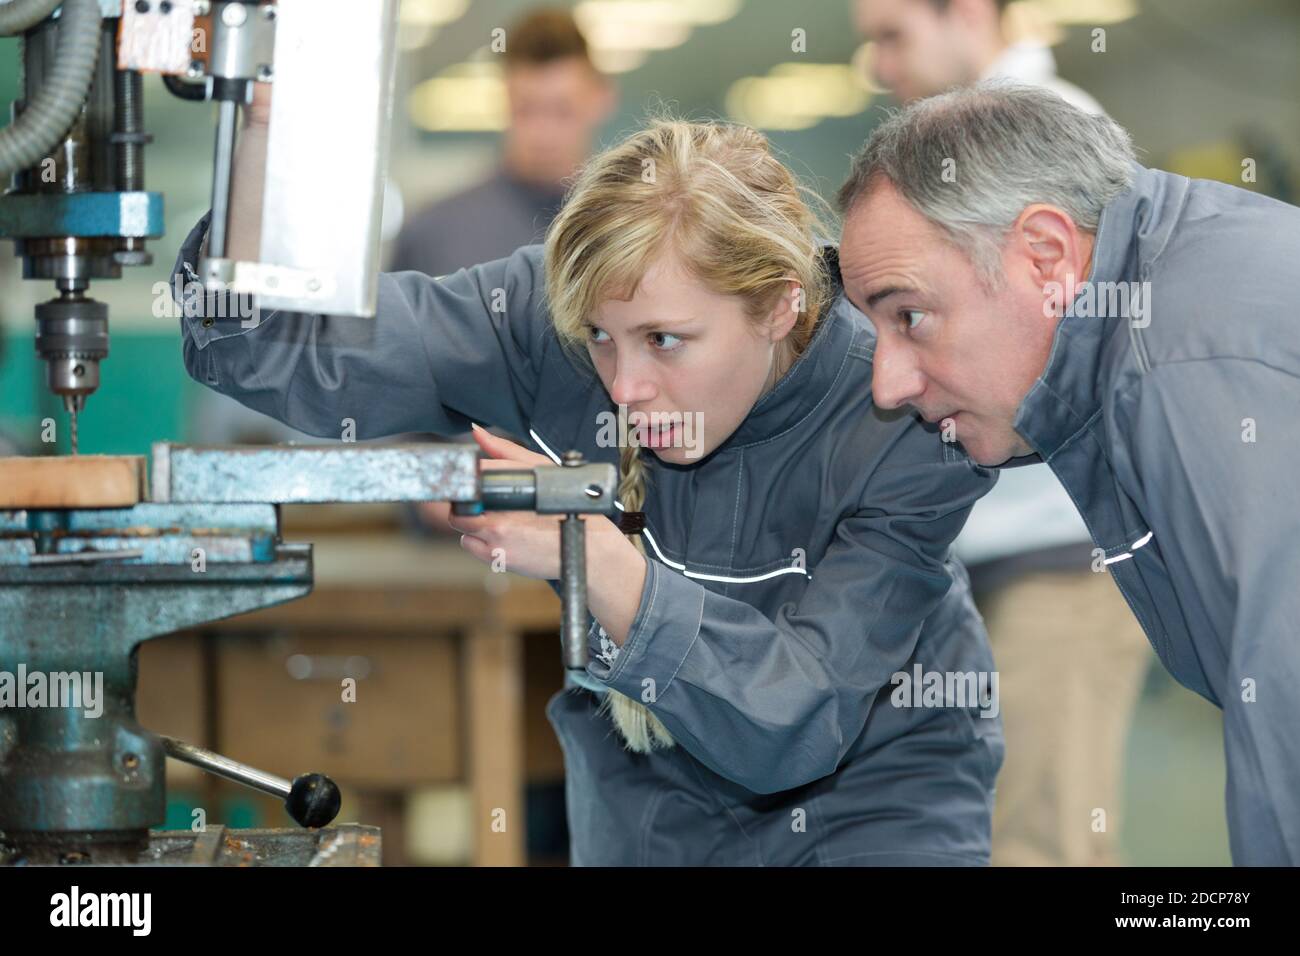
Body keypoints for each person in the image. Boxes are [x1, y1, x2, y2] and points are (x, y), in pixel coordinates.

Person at [172, 117, 1004, 865]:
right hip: (644, 797)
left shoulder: (900, 414)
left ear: (781, 305)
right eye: (603, 340)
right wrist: (258, 165)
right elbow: (267, 350)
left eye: (666, 340)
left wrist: (600, 563)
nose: (626, 387)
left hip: (872, 800)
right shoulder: (549, 325)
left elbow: (793, 722)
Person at [837, 81, 1300, 866]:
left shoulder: (1178, 368)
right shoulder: (1167, 282)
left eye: (909, 315)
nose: (889, 382)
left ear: (1045, 255)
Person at [854, 0, 1151, 866]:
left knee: (1041, 842)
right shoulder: (952, 151)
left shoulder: (1048, 137)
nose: (878, 64)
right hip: (984, 563)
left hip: (1060, 561)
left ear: (971, 13)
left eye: (892, 35)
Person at [388, 7, 615, 277]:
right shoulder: (436, 233)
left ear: (602, 100)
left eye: (562, 110)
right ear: (502, 99)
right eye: (526, 109)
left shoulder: (631, 228)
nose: (542, 132)